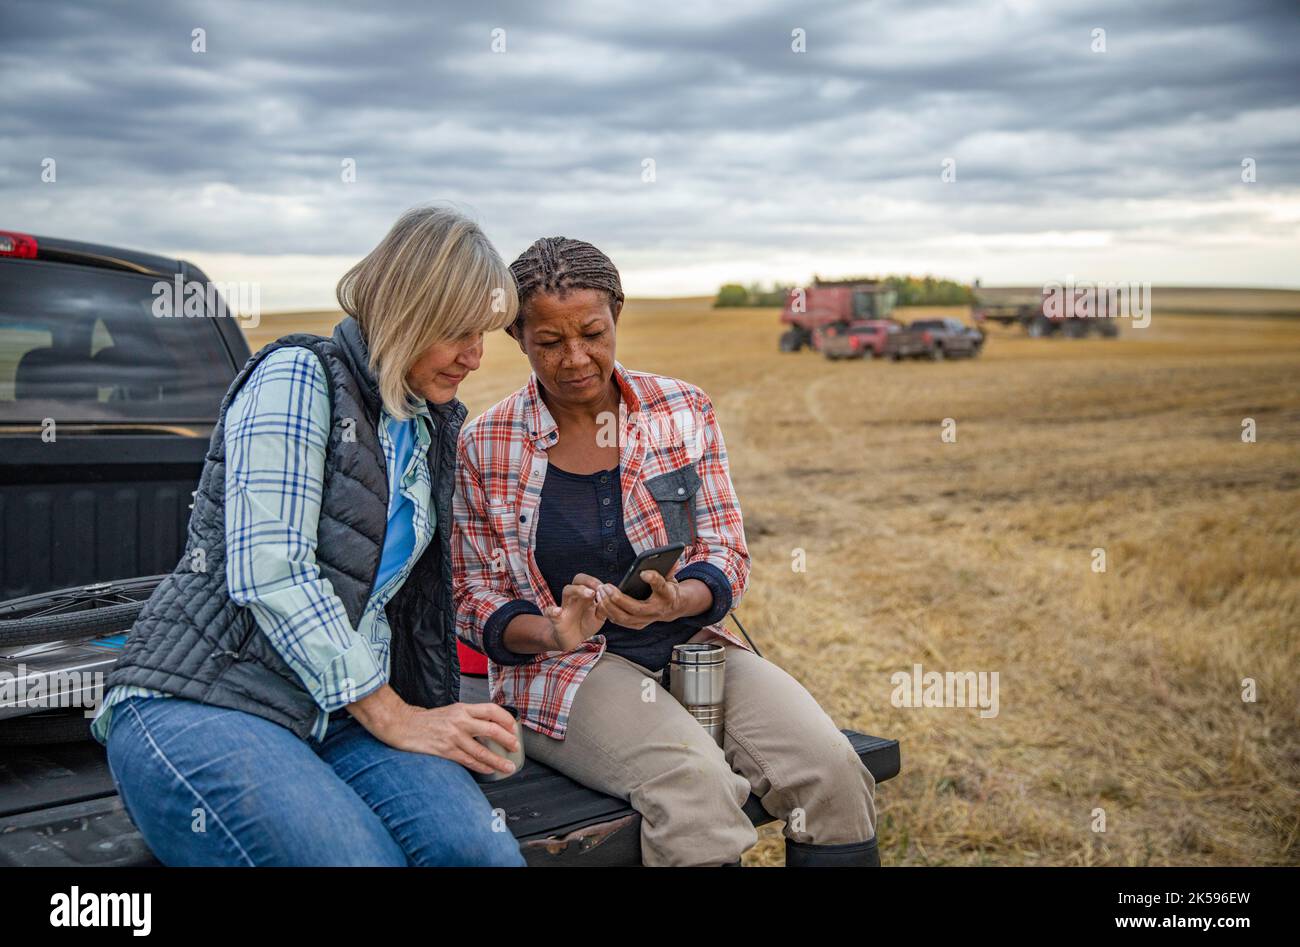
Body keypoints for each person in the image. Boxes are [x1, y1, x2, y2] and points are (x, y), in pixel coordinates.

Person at [95, 206, 525, 866]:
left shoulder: (429, 424)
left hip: (336, 710)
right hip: (209, 697)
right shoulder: (300, 375)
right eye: (459, 333)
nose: (476, 356)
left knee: (481, 854)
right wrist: (396, 716)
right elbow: (273, 569)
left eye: (483, 334)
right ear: (408, 313)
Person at [452, 236, 879, 866]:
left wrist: (680, 598)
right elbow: (470, 594)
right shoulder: (484, 443)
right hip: (567, 674)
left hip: (694, 646)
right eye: (549, 342)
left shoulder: (681, 410)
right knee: (696, 792)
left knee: (831, 771)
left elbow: (725, 548)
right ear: (518, 337)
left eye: (593, 333)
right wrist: (550, 631)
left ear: (617, 316)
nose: (575, 358)